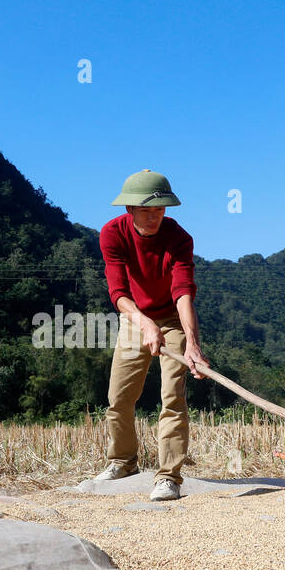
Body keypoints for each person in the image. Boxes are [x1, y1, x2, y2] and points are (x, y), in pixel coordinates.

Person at [96, 169, 210, 501]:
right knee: (119, 398)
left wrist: (192, 343)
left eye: (159, 210)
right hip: (134, 318)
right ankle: (123, 461)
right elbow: (117, 292)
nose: (154, 216)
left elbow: (183, 292)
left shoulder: (179, 239)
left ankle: (168, 476)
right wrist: (145, 324)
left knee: (172, 396)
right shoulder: (112, 234)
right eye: (146, 210)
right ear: (129, 210)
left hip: (173, 318)